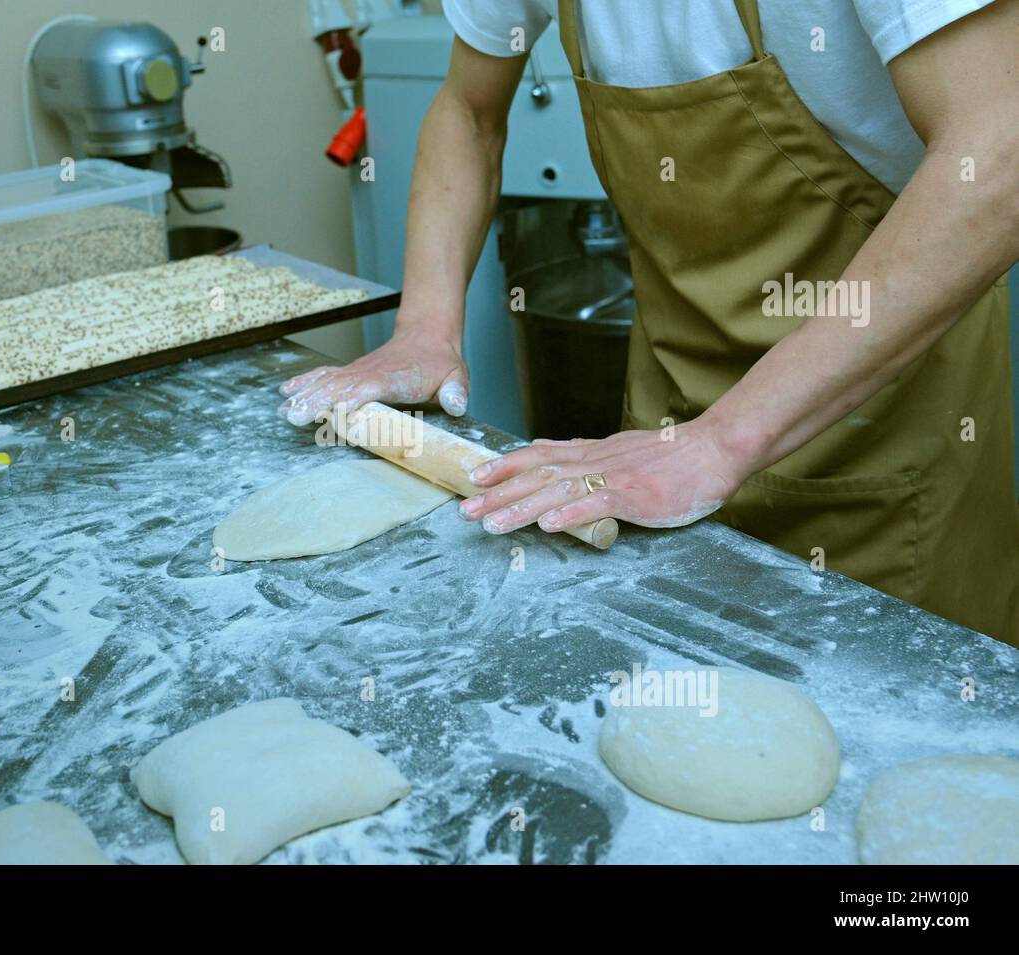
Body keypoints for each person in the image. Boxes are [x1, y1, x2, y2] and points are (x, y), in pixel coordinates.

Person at [278, 0, 1019, 643]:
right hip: (660, 431)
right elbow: (468, 111)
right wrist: (425, 331)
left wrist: (724, 442)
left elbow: (998, 154)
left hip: (881, 441)